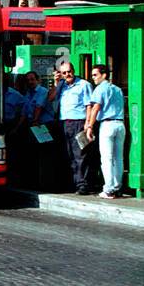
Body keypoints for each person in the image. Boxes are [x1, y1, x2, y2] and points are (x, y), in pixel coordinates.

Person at [47, 60, 97, 194]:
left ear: (73, 71)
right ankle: (73, 183)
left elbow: (89, 105)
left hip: (78, 122)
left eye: (69, 71)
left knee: (80, 154)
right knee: (68, 155)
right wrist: (56, 83)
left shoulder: (83, 85)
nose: (67, 74)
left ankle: (83, 184)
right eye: (64, 73)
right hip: (64, 123)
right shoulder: (62, 86)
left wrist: (88, 124)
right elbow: (50, 98)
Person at [86, 64, 127, 198]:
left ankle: (108, 189)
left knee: (107, 158)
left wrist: (90, 126)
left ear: (104, 75)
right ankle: (117, 186)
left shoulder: (100, 89)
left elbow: (95, 108)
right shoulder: (117, 89)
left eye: (95, 75)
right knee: (118, 158)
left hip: (107, 124)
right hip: (120, 124)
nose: (93, 78)